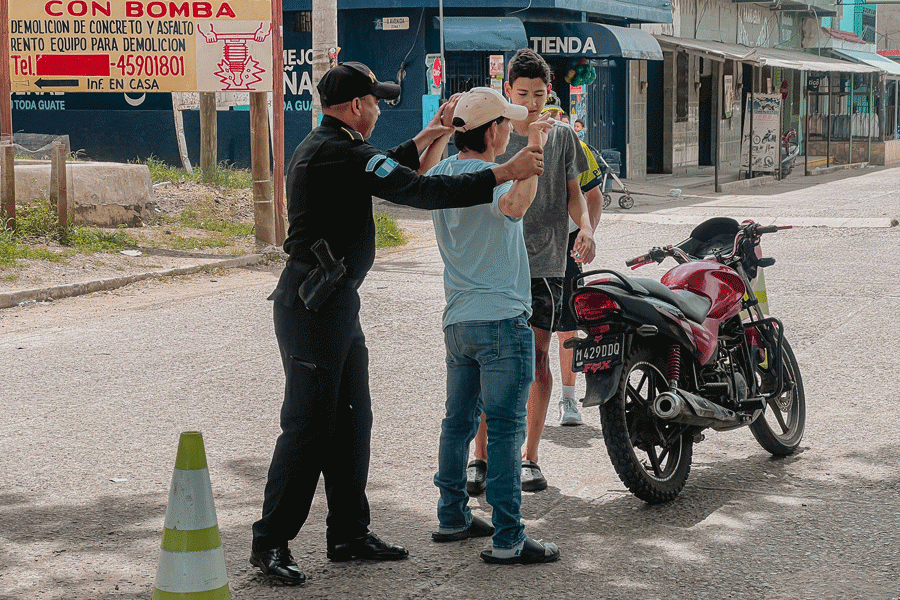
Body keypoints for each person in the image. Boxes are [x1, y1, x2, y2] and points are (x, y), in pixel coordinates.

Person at [251, 61, 546, 586]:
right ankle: (271, 541)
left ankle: (348, 532)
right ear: (354, 106)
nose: (378, 110)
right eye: (375, 101)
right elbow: (417, 189)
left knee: (352, 421)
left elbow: (391, 165)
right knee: (308, 427)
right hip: (312, 308)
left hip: (336, 306)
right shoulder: (335, 151)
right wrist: (506, 172)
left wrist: (432, 133)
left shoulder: (341, 147)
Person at [426, 87, 560, 564]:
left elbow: (421, 170)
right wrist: (535, 149)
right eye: (506, 123)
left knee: (457, 422)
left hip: (458, 320)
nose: (510, 131)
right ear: (492, 131)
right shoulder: (494, 177)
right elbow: (517, 206)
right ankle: (508, 537)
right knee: (505, 431)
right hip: (501, 319)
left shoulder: (441, 174)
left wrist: (441, 130)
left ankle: (452, 515)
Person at [467, 48, 596, 496]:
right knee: (492, 361)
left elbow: (575, 194)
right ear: (508, 91)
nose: (532, 103)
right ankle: (480, 458)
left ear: (549, 92)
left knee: (538, 356)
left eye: (539, 94)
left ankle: (531, 458)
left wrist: (585, 228)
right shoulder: (493, 133)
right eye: (523, 94)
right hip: (498, 261)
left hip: (546, 264)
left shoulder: (563, 136)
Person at [541, 100, 604, 426]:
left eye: (556, 113)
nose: (552, 119)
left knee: (568, 324)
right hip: (528, 244)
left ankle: (568, 398)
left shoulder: (578, 147)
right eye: (546, 113)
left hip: (565, 245)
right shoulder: (519, 141)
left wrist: (585, 233)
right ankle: (527, 401)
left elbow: (593, 197)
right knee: (530, 326)